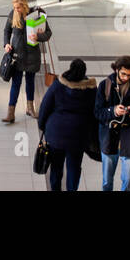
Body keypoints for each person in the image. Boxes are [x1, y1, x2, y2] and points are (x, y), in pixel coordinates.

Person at [37, 58, 100, 191]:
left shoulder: (58, 84)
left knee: (56, 167)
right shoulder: (91, 89)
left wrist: (42, 125)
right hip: (78, 137)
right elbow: (96, 112)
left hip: (56, 134)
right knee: (74, 168)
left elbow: (45, 106)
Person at [95, 55, 130, 191]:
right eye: (123, 74)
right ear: (117, 69)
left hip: (129, 137)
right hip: (109, 137)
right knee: (107, 180)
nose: (126, 78)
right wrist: (113, 111)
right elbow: (98, 112)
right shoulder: (105, 85)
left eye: (129, 75)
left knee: (128, 179)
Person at [2, 0, 51, 123]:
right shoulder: (13, 14)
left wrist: (38, 37)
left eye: (18, 7)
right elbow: (7, 30)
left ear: (24, 6)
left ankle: (30, 108)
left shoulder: (35, 15)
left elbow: (48, 33)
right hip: (17, 56)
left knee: (30, 82)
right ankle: (10, 113)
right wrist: (6, 44)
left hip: (32, 56)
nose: (16, 10)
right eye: (14, 7)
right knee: (16, 84)